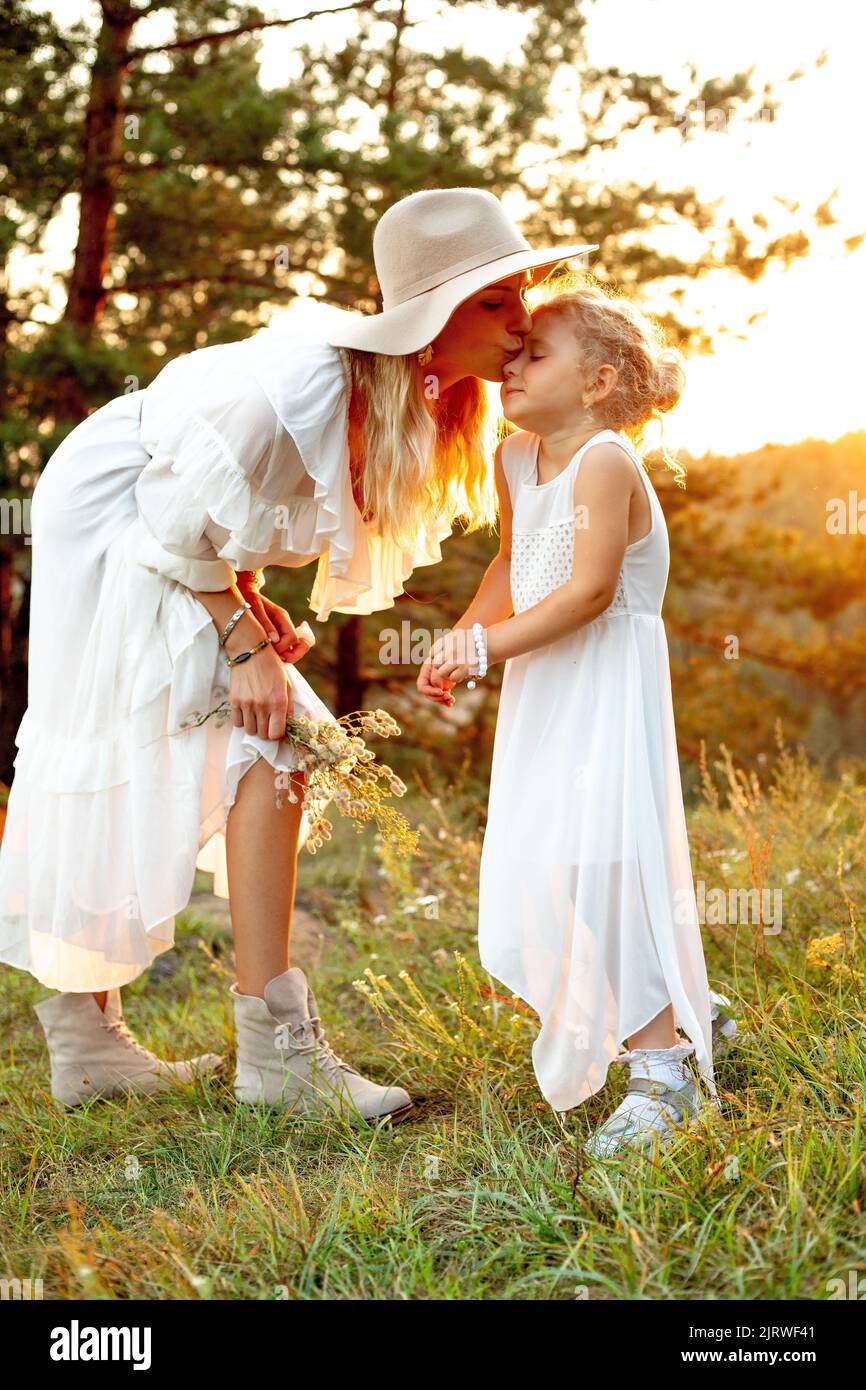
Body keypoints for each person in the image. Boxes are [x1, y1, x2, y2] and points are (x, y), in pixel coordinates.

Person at [0, 187, 594, 1124]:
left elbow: (223, 528)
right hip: (114, 509)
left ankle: (85, 1043)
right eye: (494, 303)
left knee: (187, 733)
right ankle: (271, 1058)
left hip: (160, 525)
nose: (520, 325)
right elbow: (169, 517)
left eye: (519, 296)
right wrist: (241, 642)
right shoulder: (314, 382)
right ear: (428, 317)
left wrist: (245, 609)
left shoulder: (419, 399)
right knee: (252, 740)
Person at [425, 280, 736, 1158]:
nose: (511, 365)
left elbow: (591, 591)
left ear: (599, 382)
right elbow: (513, 562)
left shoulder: (605, 459)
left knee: (606, 857)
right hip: (545, 685)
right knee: (552, 858)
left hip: (603, 683)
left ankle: (664, 1064)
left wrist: (490, 652)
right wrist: (463, 635)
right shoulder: (515, 457)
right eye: (512, 353)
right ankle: (679, 1000)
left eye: (536, 354)